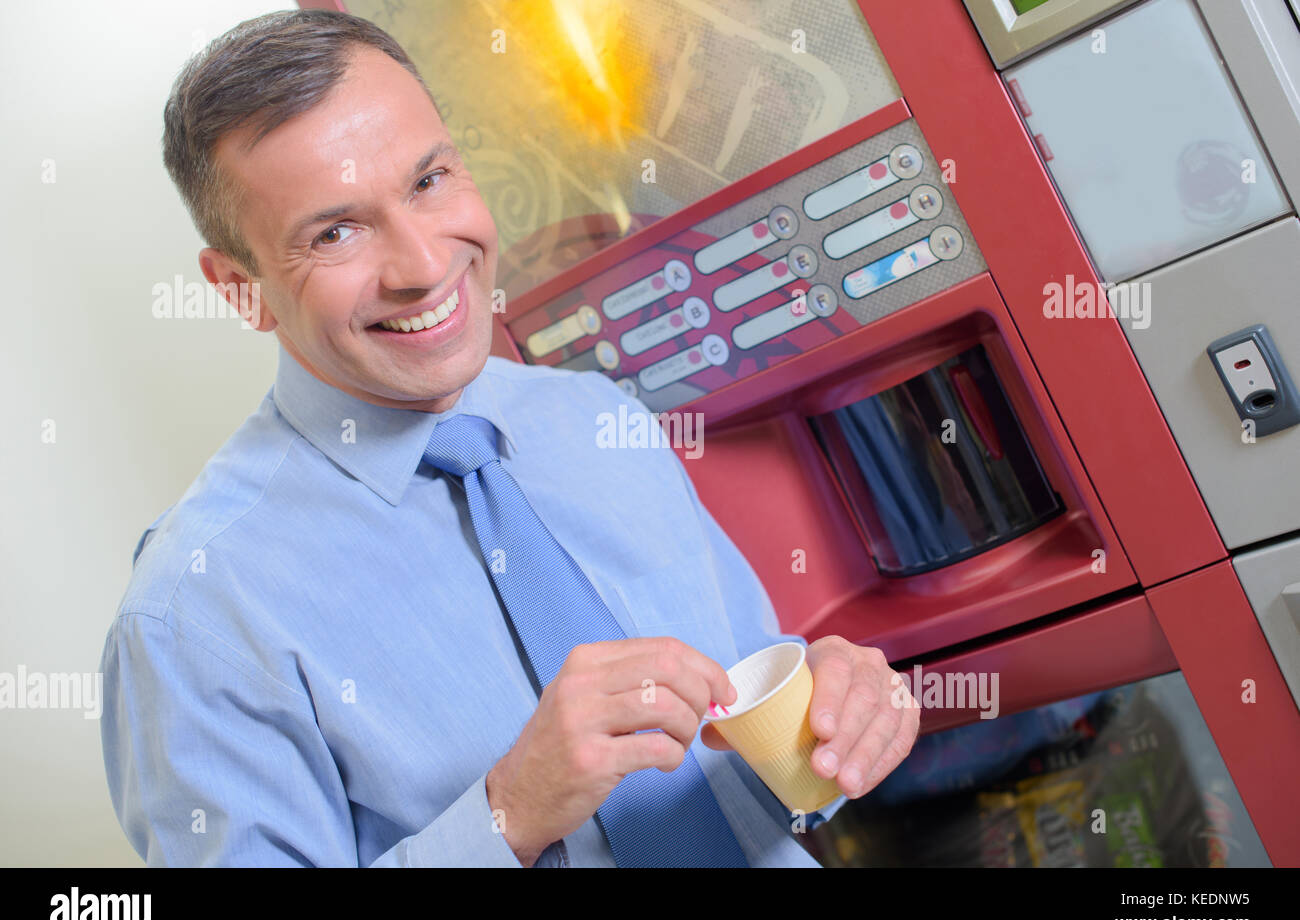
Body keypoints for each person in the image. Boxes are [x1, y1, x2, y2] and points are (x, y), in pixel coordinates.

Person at [99, 9, 919, 867]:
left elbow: (746, 737)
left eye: (429, 180)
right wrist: (509, 812)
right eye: (335, 231)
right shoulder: (192, 615)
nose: (422, 264)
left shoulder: (592, 416)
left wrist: (831, 709)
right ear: (242, 288)